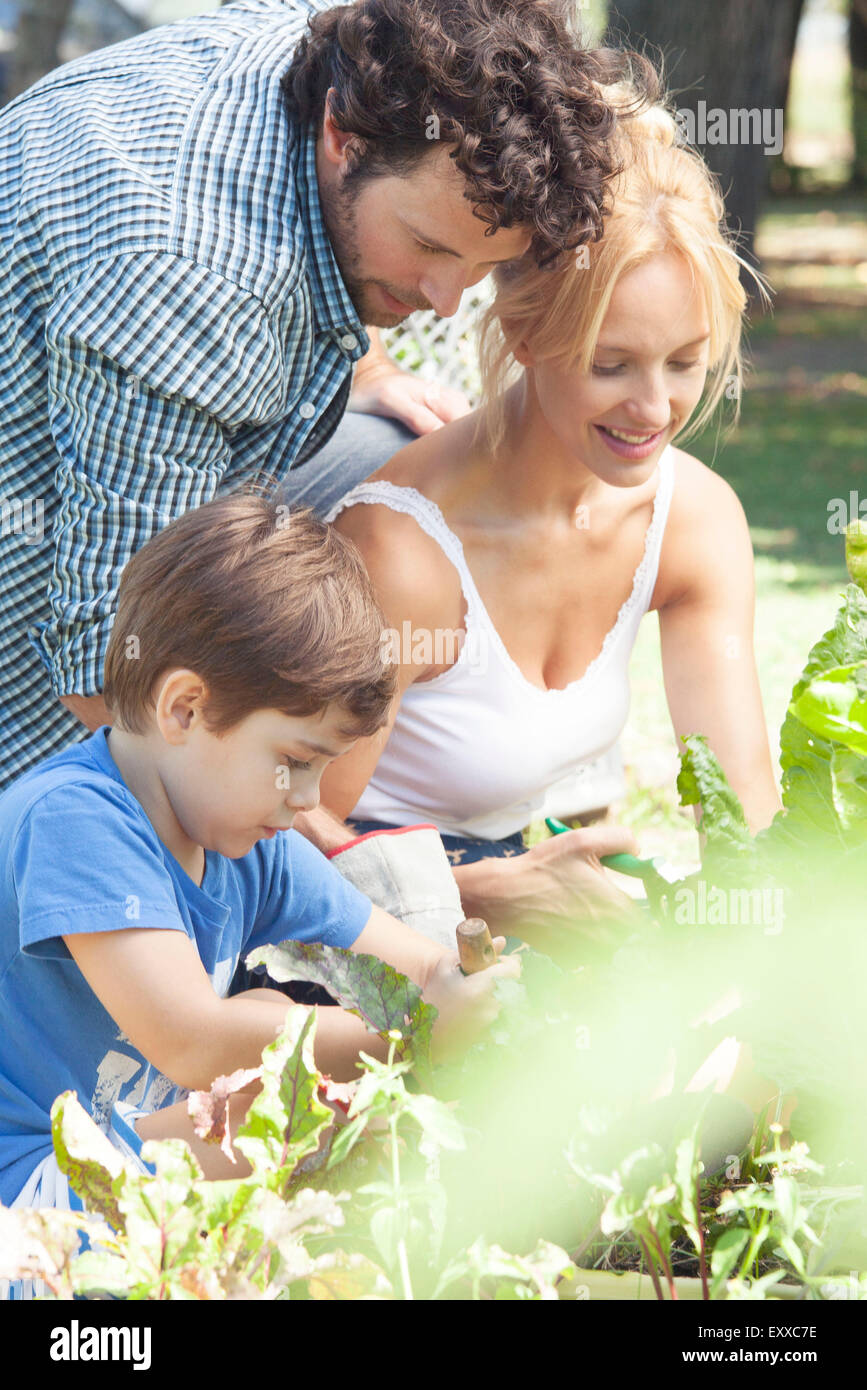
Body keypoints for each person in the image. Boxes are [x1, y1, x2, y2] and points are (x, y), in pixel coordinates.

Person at [0, 0, 652, 791]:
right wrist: (317, 853)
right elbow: (109, 669)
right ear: (342, 138)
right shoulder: (190, 276)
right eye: (428, 248)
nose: (447, 301)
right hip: (31, 665)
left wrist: (370, 368)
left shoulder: (353, 55)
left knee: (401, 467)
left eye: (483, 268)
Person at [303, 95, 783, 948]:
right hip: (370, 922)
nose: (652, 408)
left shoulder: (693, 519)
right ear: (523, 336)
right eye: (610, 364)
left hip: (530, 883)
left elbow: (742, 813)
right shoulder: (401, 551)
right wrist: (477, 897)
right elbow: (283, 846)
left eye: (684, 363)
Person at [0, 492, 519, 1244]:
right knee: (280, 1078)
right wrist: (420, 1032)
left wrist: (468, 993)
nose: (305, 802)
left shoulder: (250, 848)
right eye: (292, 762)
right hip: (26, 1194)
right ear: (184, 708)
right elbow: (195, 1040)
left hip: (114, 1163)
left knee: (323, 1098)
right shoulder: (76, 819)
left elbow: (415, 967)